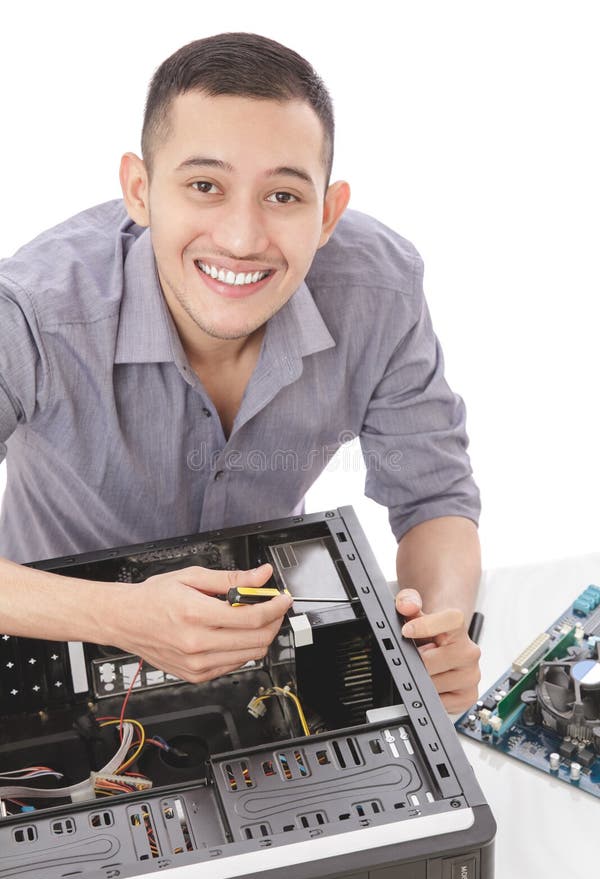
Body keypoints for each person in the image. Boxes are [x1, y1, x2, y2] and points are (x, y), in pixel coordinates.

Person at [0, 32, 481, 714]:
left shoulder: (382, 290)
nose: (242, 238)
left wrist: (442, 628)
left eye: (283, 197)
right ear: (139, 190)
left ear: (328, 213)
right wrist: (120, 616)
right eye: (204, 186)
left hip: (268, 650)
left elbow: (435, 498)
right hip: (59, 642)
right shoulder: (32, 311)